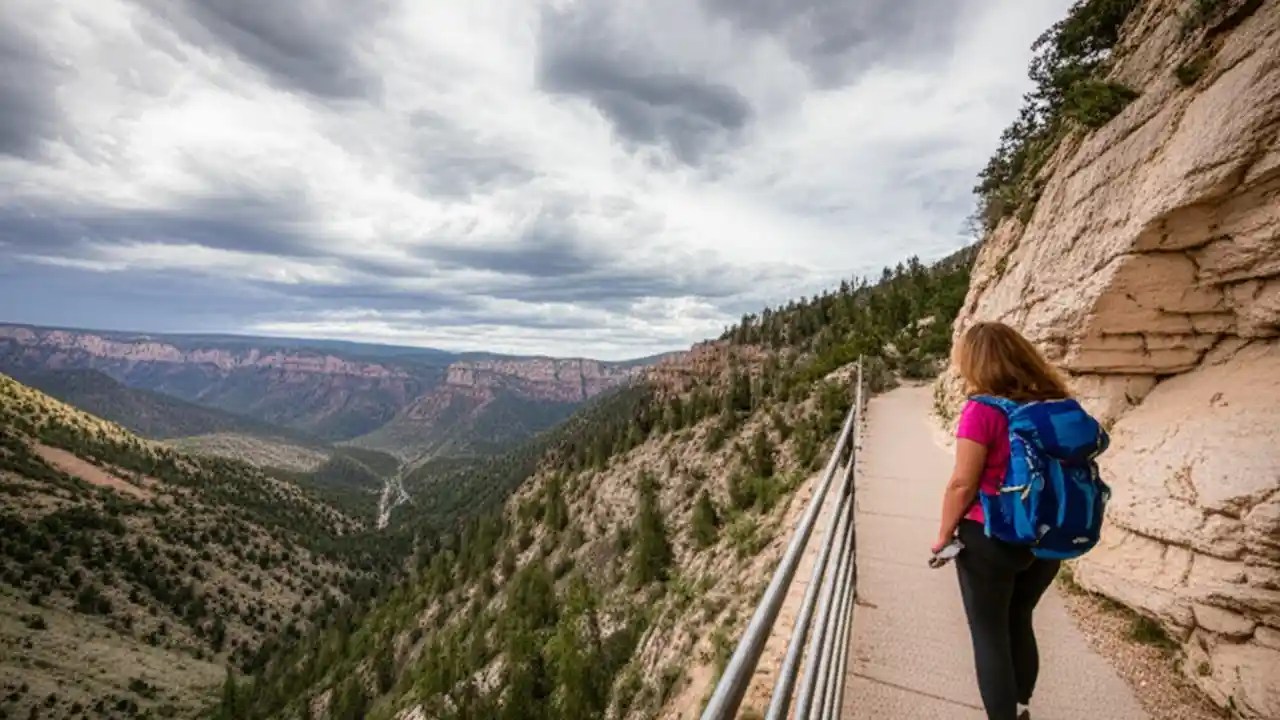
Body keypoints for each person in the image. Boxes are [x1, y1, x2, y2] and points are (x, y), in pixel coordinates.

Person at [931, 321, 1072, 720]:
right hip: (1047, 534)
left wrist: (943, 535)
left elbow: (962, 482)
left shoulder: (983, 410)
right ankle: (1023, 706)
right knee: (1020, 618)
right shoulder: (1052, 402)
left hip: (991, 535)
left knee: (989, 634)